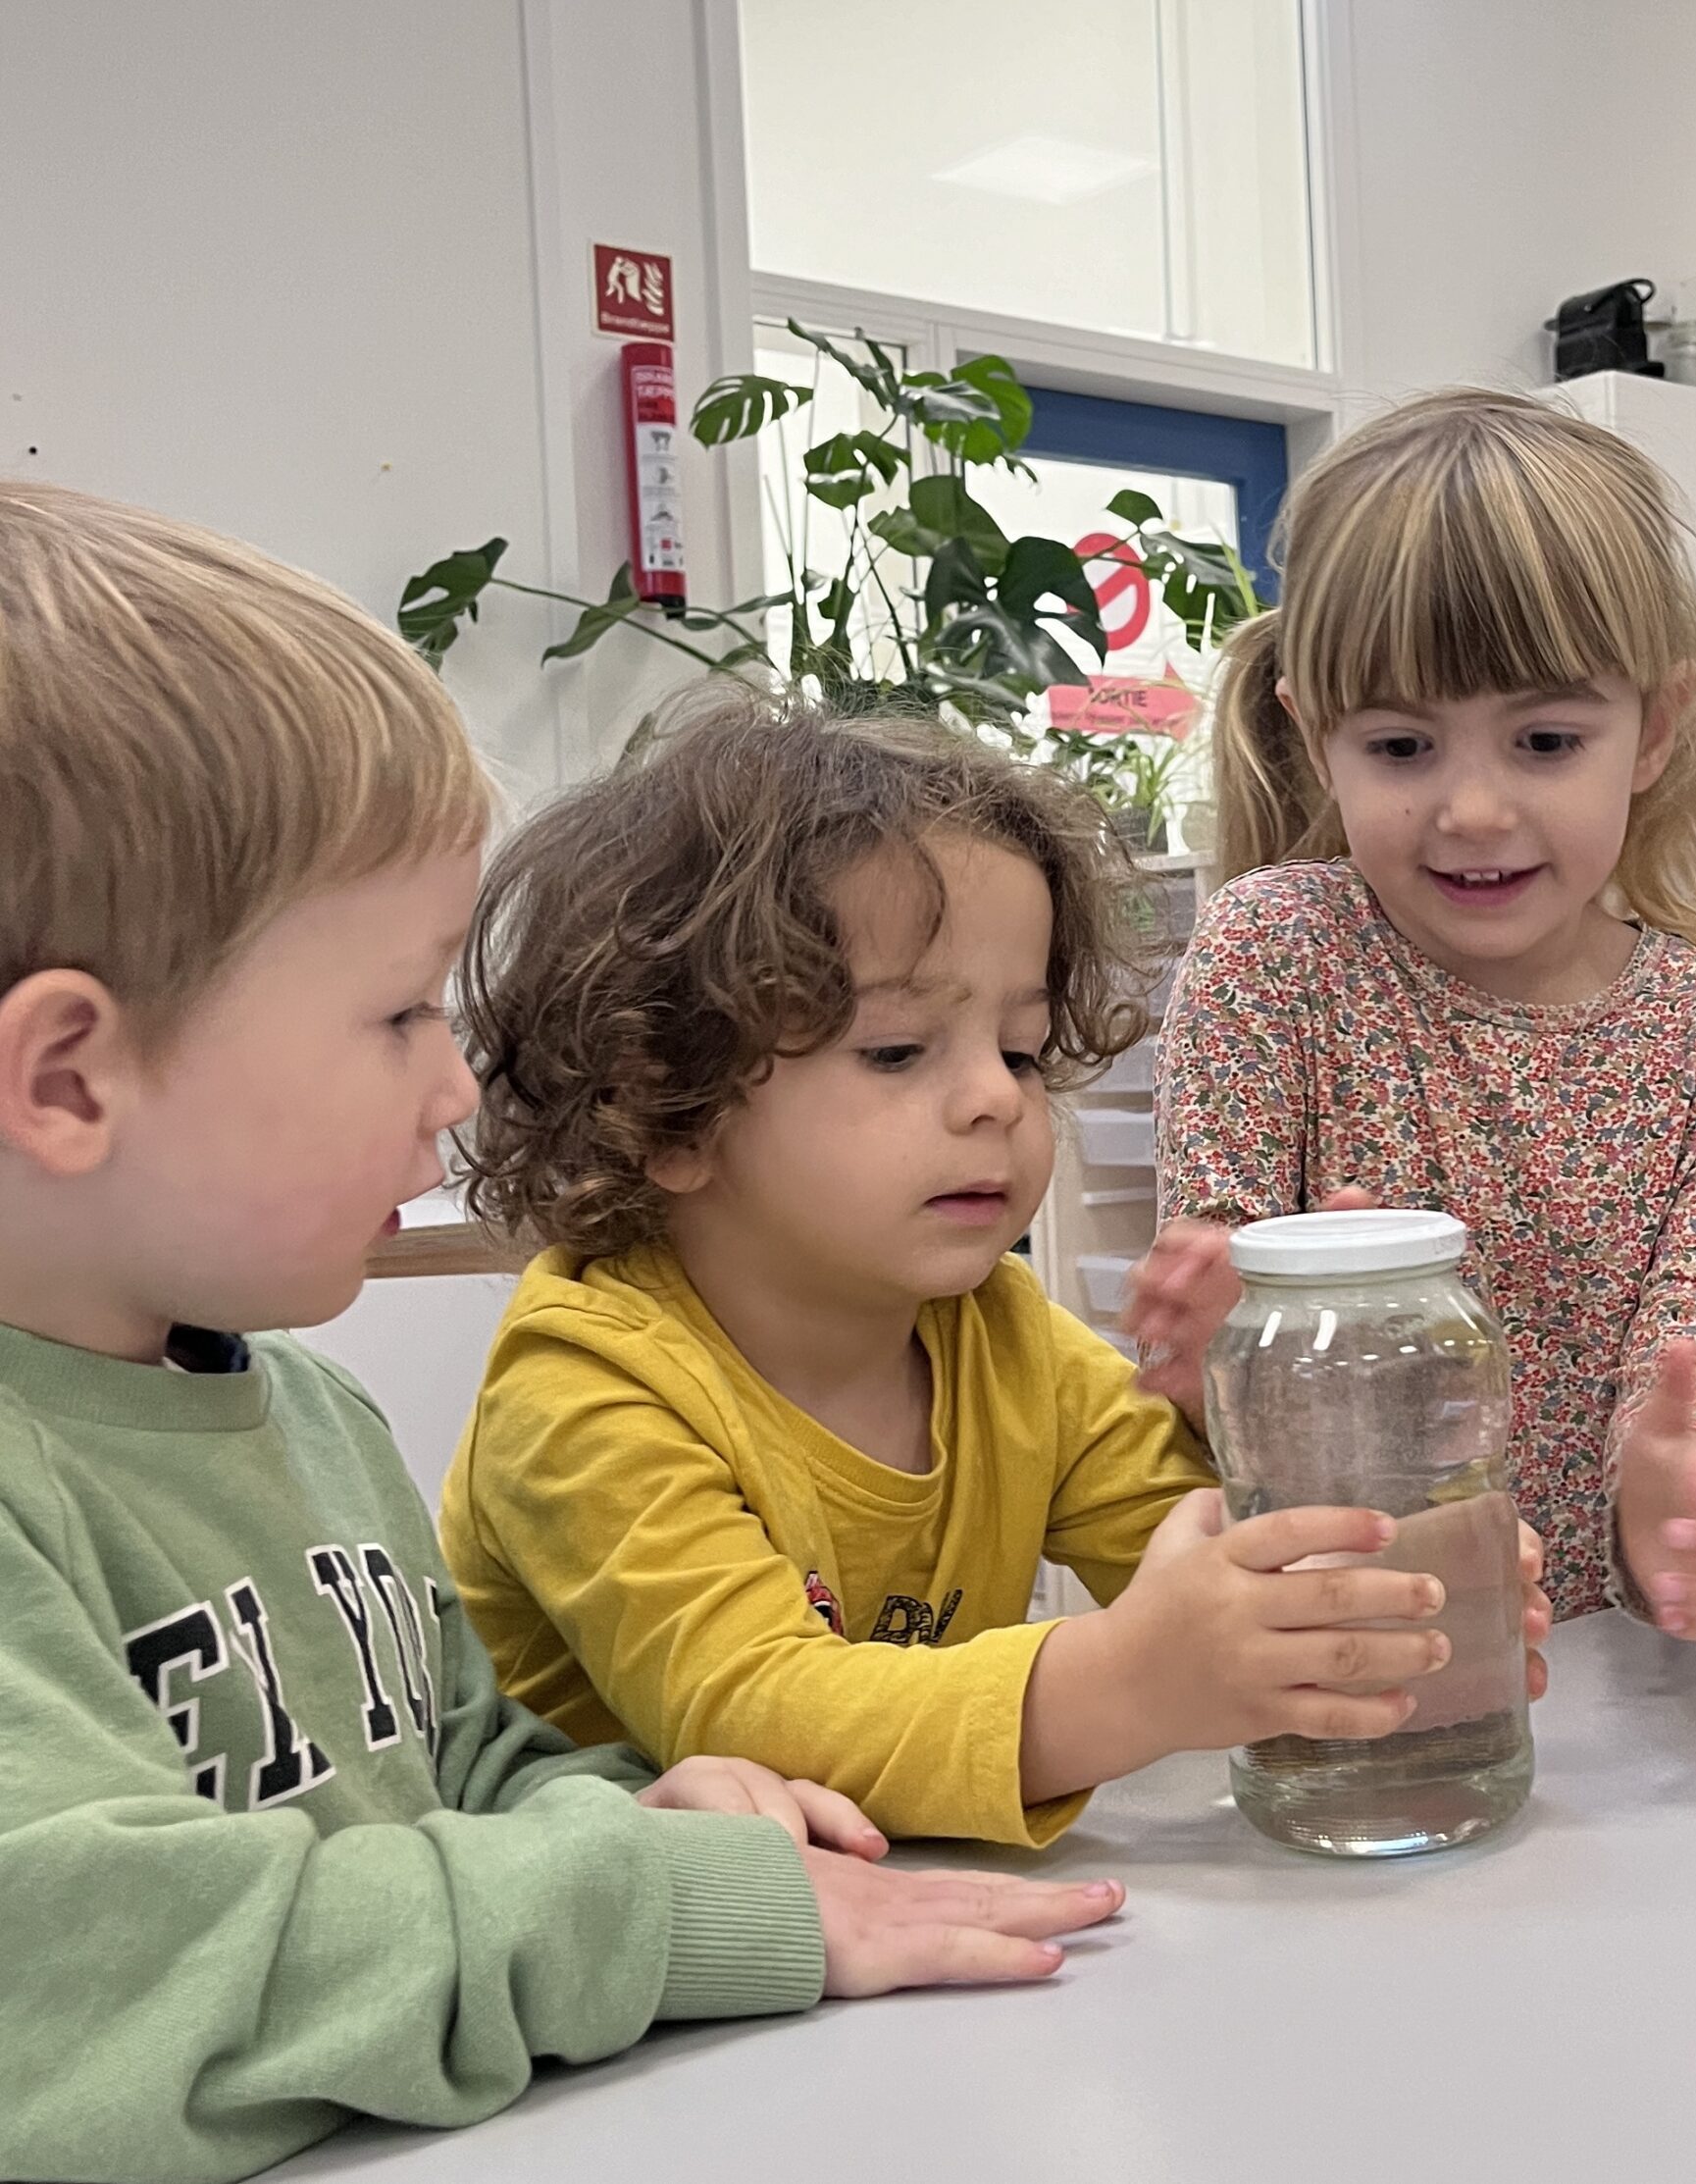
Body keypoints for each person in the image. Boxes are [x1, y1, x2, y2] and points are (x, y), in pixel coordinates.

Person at [0, 485, 1122, 2184]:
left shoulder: (306, 1416)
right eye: (394, 1014)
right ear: (70, 1077)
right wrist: (650, 1906)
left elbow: (457, 1767)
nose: (453, 1086)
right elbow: (99, 2000)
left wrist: (619, 1819)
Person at [441, 689, 1549, 1851]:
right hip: (649, 1974)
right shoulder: (584, 1390)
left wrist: (1387, 1592)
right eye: (896, 1049)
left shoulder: (997, 1332)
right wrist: (1126, 1683)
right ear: (664, 1105)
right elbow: (754, 1714)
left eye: (1019, 1049)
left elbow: (1182, 1540)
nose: (996, 1101)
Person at [1128, 388, 1696, 1629]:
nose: (1474, 811)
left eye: (1544, 742)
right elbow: (1217, 1337)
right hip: (1345, 1654)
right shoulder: (1277, 956)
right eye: (1400, 748)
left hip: (1615, 1665)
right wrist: (1217, 1345)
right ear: (1313, 733)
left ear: (1654, 729)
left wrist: (1691, 1482)